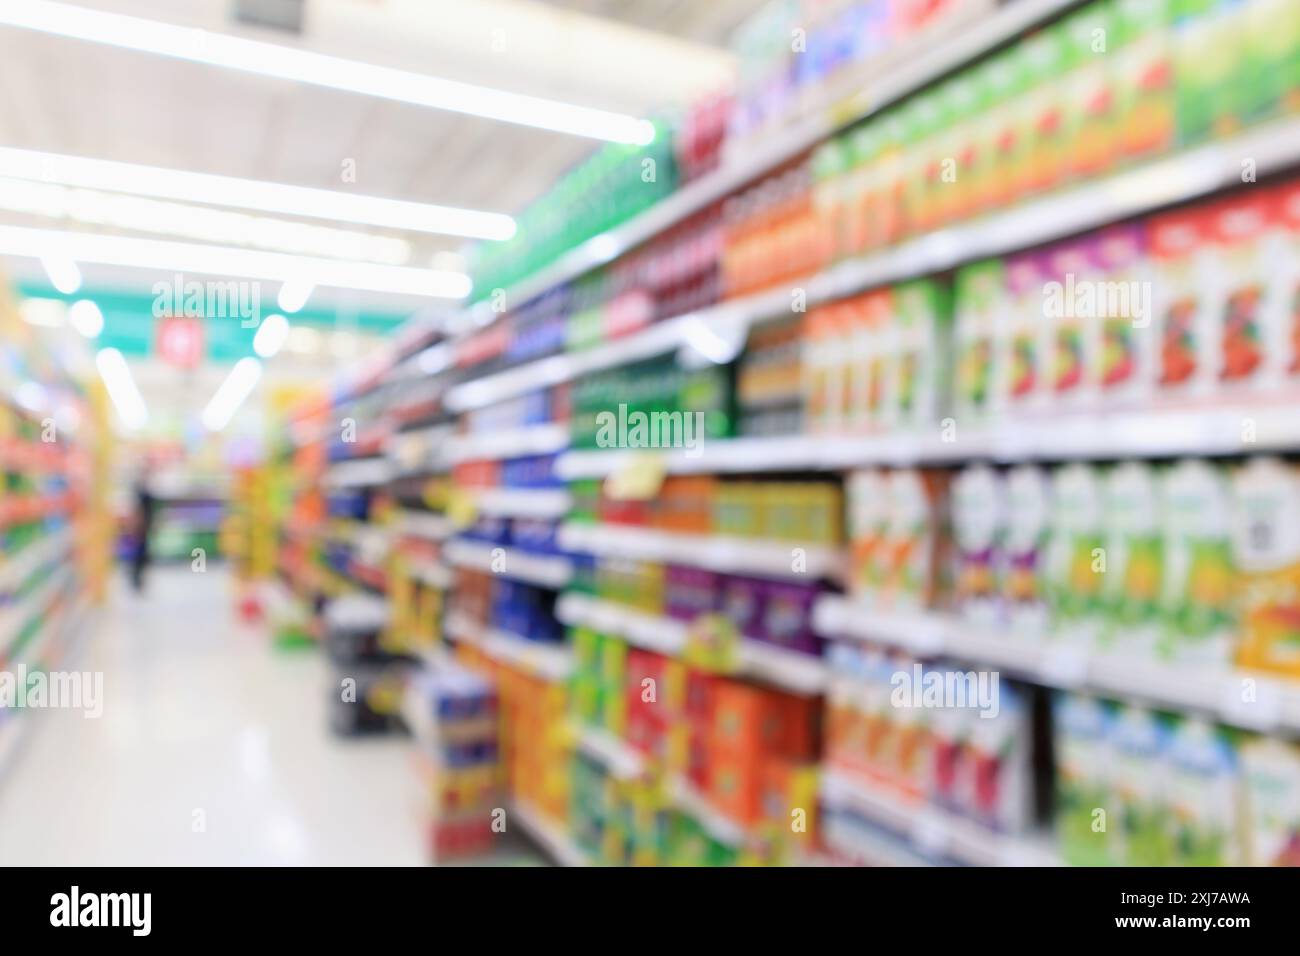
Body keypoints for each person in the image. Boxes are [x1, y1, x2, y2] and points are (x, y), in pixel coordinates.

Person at [130, 463, 157, 593]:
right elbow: (137, 510)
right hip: (141, 527)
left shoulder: (145, 488)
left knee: (143, 554)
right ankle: (136, 581)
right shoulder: (139, 489)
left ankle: (139, 581)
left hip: (145, 526)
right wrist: (137, 524)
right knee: (139, 554)